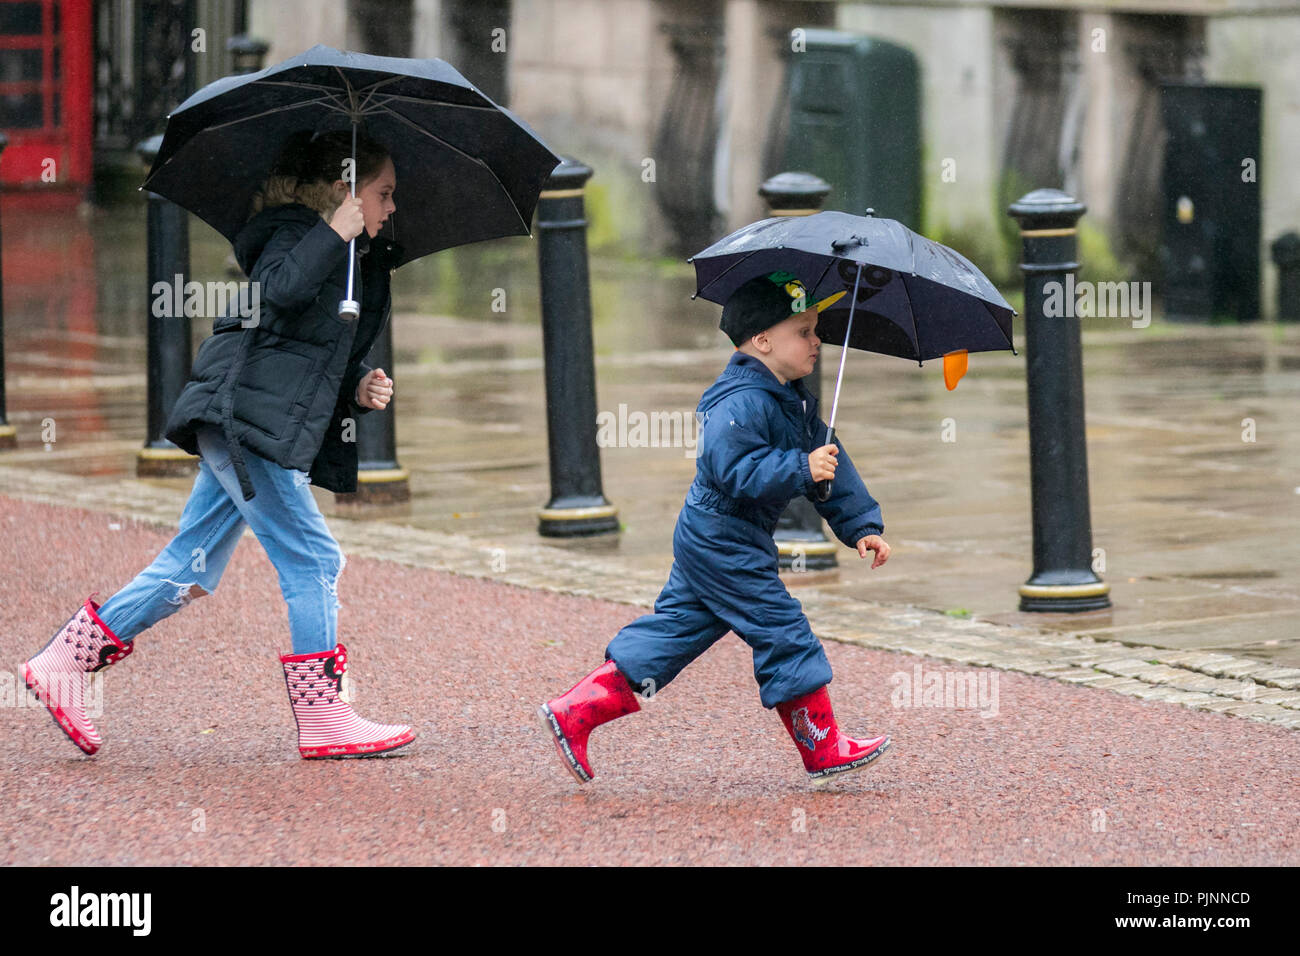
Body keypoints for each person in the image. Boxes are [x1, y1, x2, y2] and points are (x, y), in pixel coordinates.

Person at [22, 129, 415, 759]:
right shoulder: (293, 235)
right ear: (345, 189)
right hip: (244, 423)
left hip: (245, 420)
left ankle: (61, 664)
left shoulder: (342, 260)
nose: (392, 208)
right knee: (314, 561)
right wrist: (334, 230)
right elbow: (277, 292)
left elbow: (293, 351)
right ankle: (323, 716)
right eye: (383, 193)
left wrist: (355, 386)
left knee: (191, 566)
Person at [538, 272, 893, 785]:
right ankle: (822, 746)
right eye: (804, 330)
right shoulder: (737, 399)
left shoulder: (788, 397)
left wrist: (861, 524)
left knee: (675, 631)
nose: (817, 340)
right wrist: (799, 467)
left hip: (721, 537)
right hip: (723, 538)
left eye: (816, 329)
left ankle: (575, 711)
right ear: (763, 340)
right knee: (783, 630)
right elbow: (734, 470)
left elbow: (834, 464)